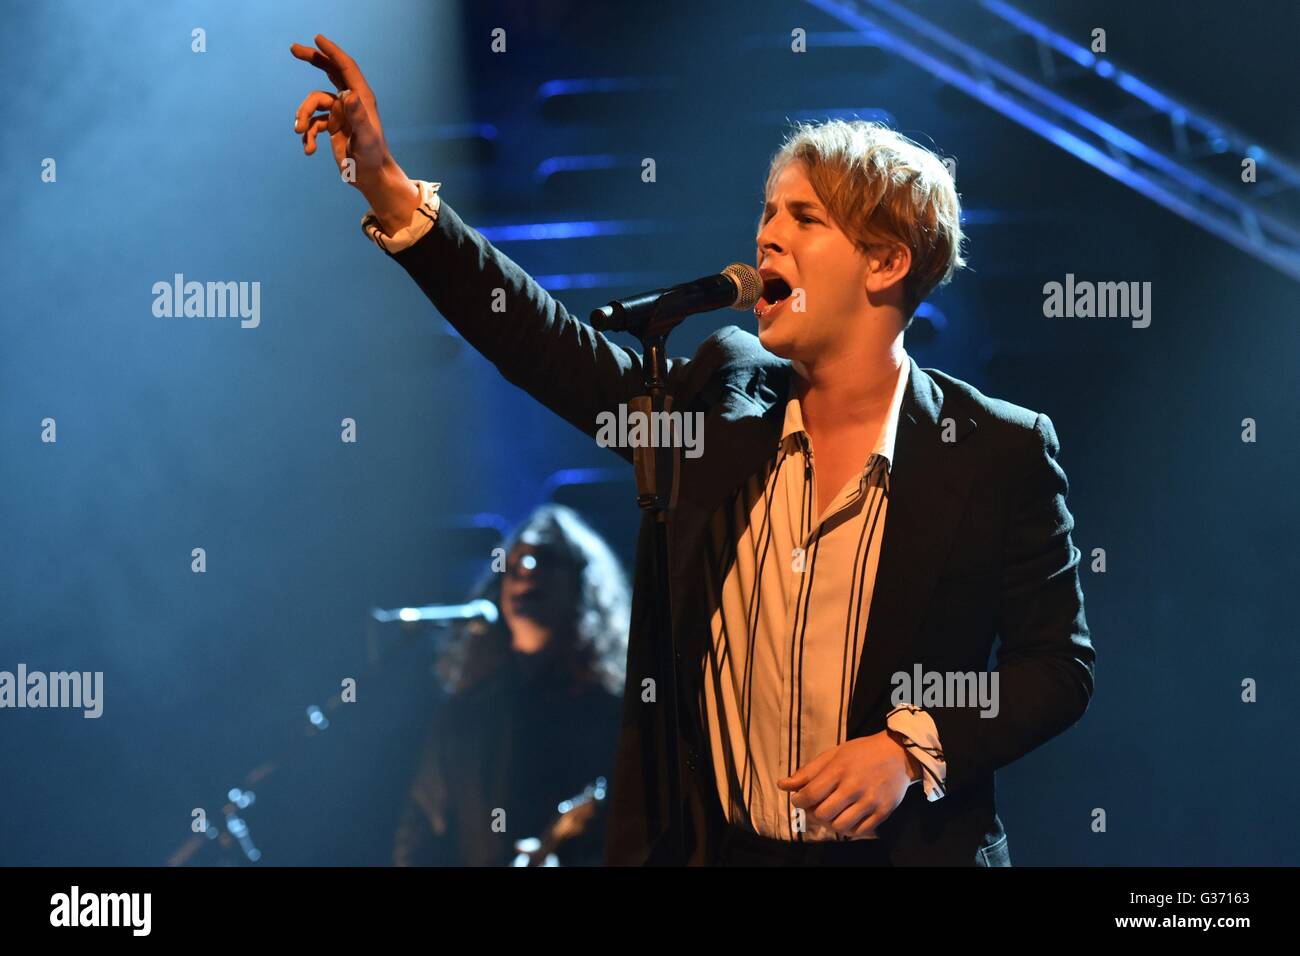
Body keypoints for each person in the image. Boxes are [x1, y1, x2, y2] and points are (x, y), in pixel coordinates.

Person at [291, 34, 1095, 866]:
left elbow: (1056, 669)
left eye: (805, 218)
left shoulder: (997, 450)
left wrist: (909, 749)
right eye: (768, 212)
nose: (766, 237)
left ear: (887, 262)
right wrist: (388, 190)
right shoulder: (720, 403)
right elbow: (545, 343)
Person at [391, 504, 628, 866]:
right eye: (514, 565)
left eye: (543, 561)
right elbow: (418, 833)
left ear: (579, 582)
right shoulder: (467, 713)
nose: (524, 574)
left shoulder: (612, 713)